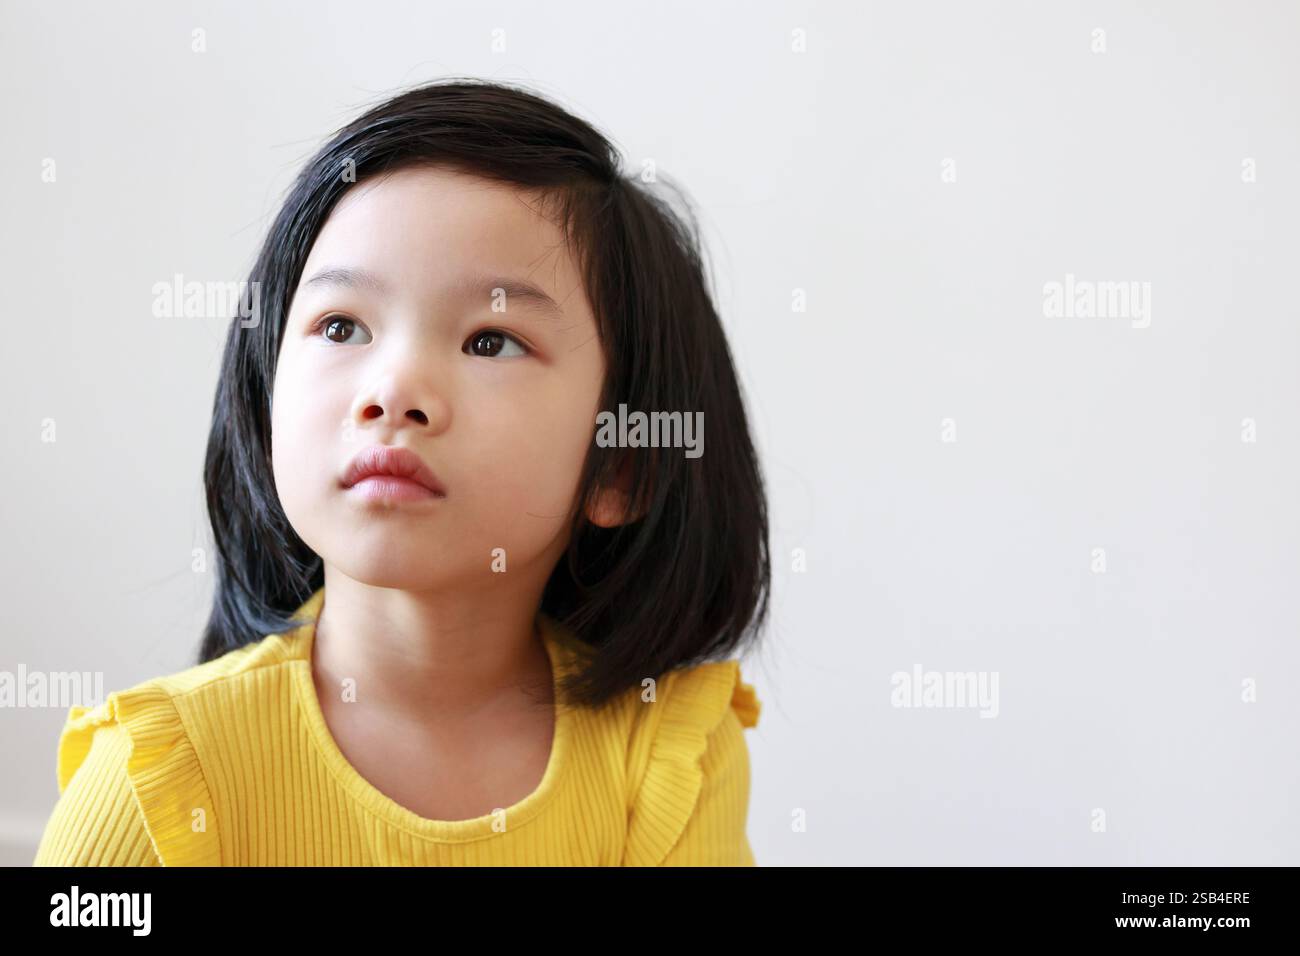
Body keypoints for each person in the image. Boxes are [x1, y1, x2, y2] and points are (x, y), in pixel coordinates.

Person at [33, 77, 769, 866]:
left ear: (620, 466)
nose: (393, 393)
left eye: (490, 340)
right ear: (266, 405)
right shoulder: (158, 786)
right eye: (342, 325)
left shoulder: (665, 762)